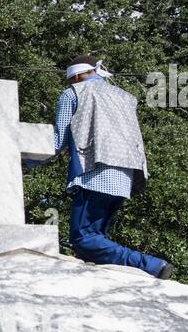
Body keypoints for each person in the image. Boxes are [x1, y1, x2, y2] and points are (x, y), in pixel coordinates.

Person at [31, 55, 172, 278]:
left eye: (70, 80)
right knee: (95, 240)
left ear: (76, 76)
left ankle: (150, 265)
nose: (70, 84)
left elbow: (57, 142)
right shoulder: (124, 96)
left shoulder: (73, 93)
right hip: (126, 175)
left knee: (83, 238)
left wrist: (23, 162)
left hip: (95, 171)